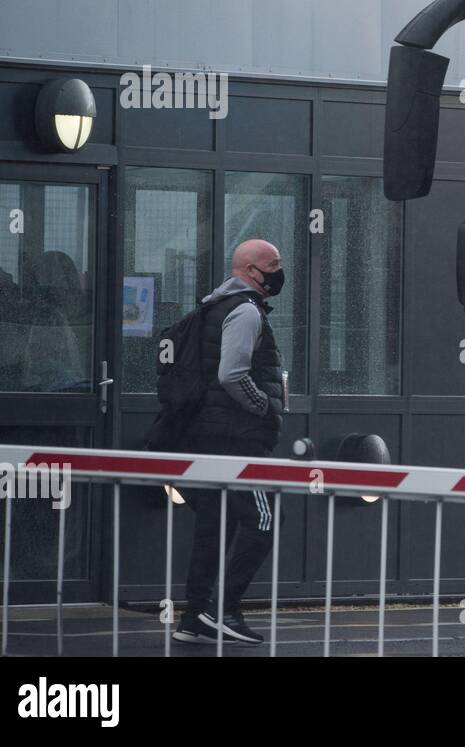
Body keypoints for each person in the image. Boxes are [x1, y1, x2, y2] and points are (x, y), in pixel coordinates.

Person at [172, 239, 286, 646]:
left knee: (214, 523)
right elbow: (232, 374)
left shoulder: (212, 307)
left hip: (209, 435)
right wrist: (263, 408)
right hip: (239, 440)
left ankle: (194, 617)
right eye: (273, 264)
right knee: (263, 521)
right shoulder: (244, 311)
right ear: (251, 270)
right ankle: (226, 611)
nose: (279, 271)